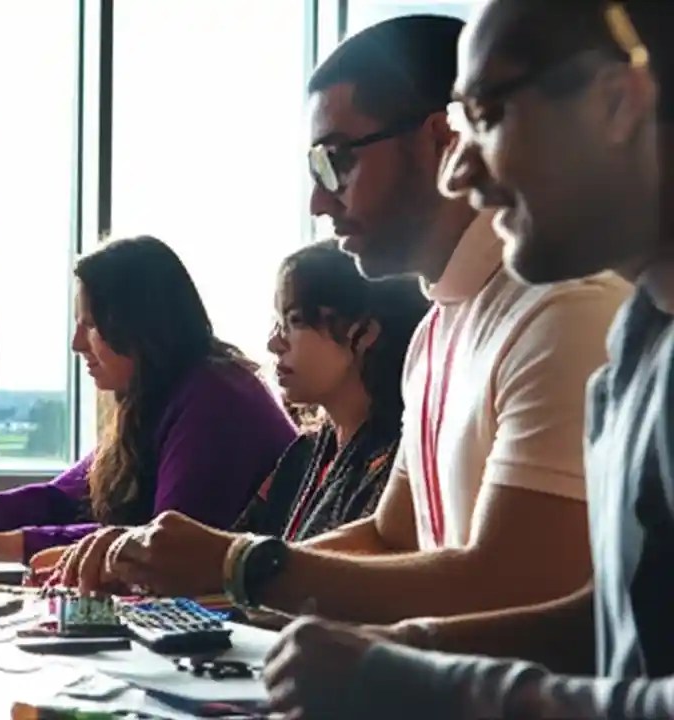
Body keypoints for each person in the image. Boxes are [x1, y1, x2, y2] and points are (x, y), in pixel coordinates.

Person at [60, 14, 630, 631]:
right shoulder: (441, 328)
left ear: (444, 140)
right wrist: (213, 590)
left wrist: (238, 565)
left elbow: (513, 583)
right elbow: (392, 537)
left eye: (336, 161)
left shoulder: (560, 311)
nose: (317, 200)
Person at [264, 3, 674, 719]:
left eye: (486, 115)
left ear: (617, 102)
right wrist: (397, 650)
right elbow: (610, 622)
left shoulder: (578, 315)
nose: (461, 170)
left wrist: (417, 680)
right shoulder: (638, 340)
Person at [0, 236, 297, 563]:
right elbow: (64, 496)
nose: (77, 344)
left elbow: (162, 544)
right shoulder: (160, 392)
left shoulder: (217, 399)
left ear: (138, 326)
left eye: (90, 325)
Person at [232, 240, 428, 542]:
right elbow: (231, 553)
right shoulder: (304, 454)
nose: (274, 343)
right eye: (278, 323)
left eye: (294, 321)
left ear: (364, 333)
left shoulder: (401, 462)